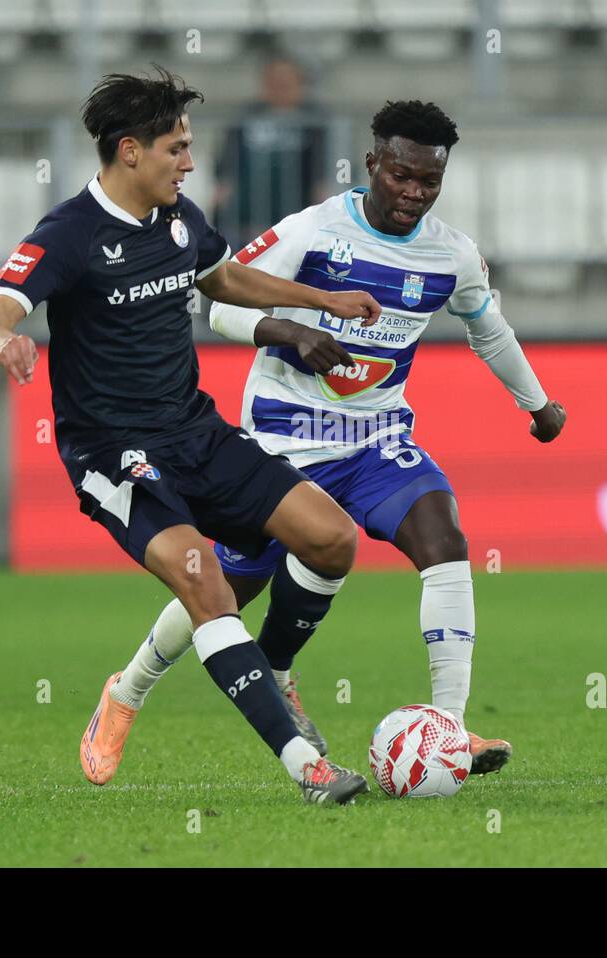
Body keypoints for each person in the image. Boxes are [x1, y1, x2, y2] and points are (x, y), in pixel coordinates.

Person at [108, 100, 567, 774]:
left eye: (429, 182)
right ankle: (127, 690)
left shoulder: (452, 254)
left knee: (444, 541)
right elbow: (214, 306)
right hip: (283, 440)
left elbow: (487, 328)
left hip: (375, 440)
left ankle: (450, 726)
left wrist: (538, 403)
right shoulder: (314, 231)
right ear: (373, 163)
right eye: (401, 176)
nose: (413, 193)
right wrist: (292, 330)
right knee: (226, 589)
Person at [0, 69, 382, 805]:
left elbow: (224, 279)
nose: (188, 163)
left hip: (197, 431)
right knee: (203, 580)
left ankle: (256, 675)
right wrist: (4, 341)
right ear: (130, 151)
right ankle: (306, 767)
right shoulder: (69, 234)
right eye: (176, 149)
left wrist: (319, 300)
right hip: (115, 456)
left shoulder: (180, 219)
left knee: (331, 538)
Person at [212, 57, 330, 248]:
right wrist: (222, 185)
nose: (280, 88)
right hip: (250, 214)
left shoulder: (317, 119)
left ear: (300, 84)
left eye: (286, 82)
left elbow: (328, 162)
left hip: (298, 212)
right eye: (274, 82)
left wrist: (323, 188)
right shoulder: (245, 115)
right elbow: (226, 159)